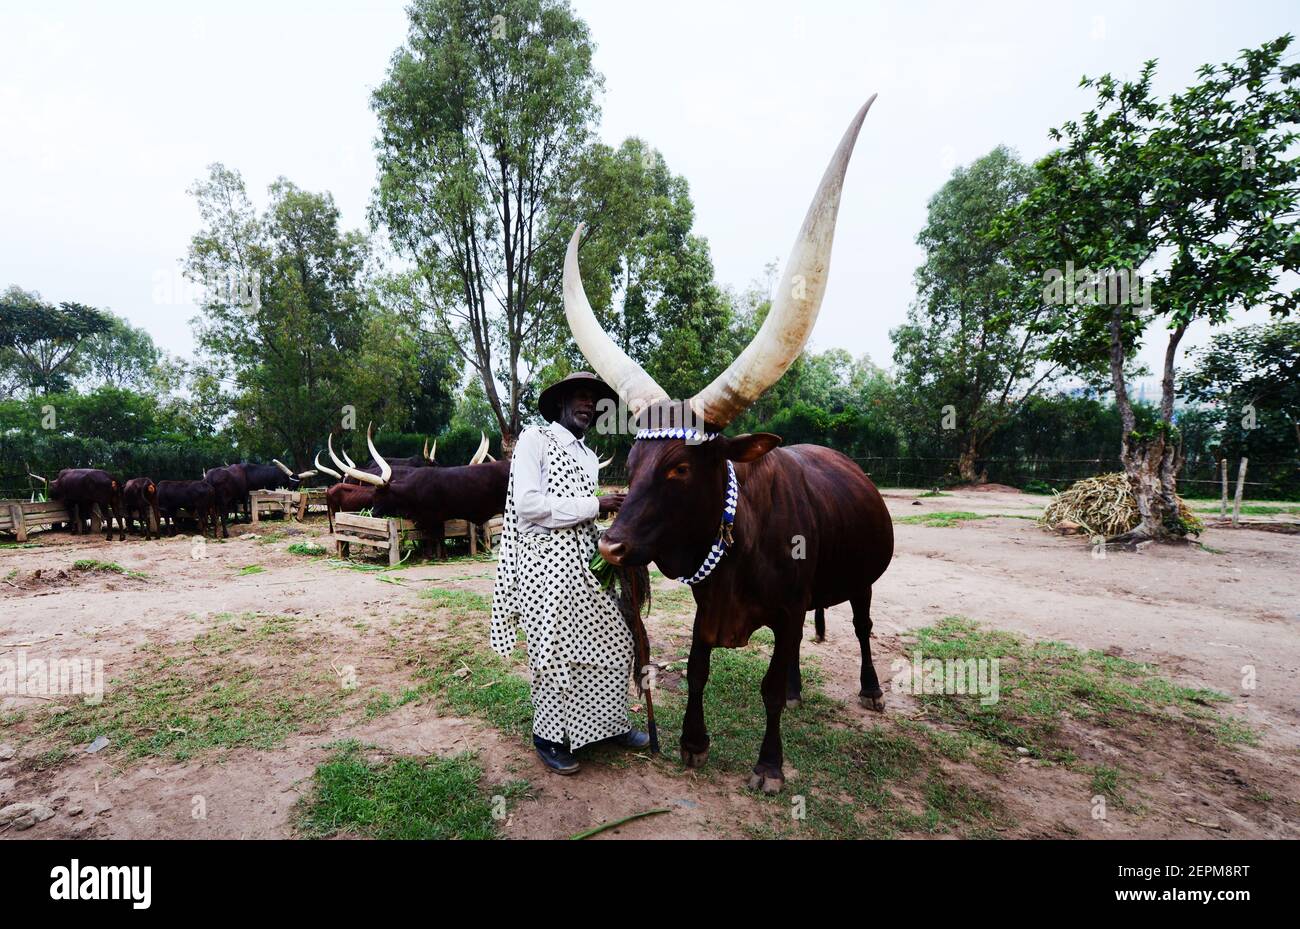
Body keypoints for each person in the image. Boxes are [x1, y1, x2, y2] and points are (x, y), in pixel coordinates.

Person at [489, 372, 650, 774]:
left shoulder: (588, 456)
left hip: (584, 562)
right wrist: (597, 505)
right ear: (560, 402)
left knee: (614, 640)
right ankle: (549, 738)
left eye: (593, 401)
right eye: (580, 397)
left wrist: (616, 535)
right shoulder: (534, 439)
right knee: (554, 652)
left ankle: (607, 725)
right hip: (542, 563)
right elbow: (528, 504)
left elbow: (586, 518)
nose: (587, 405)